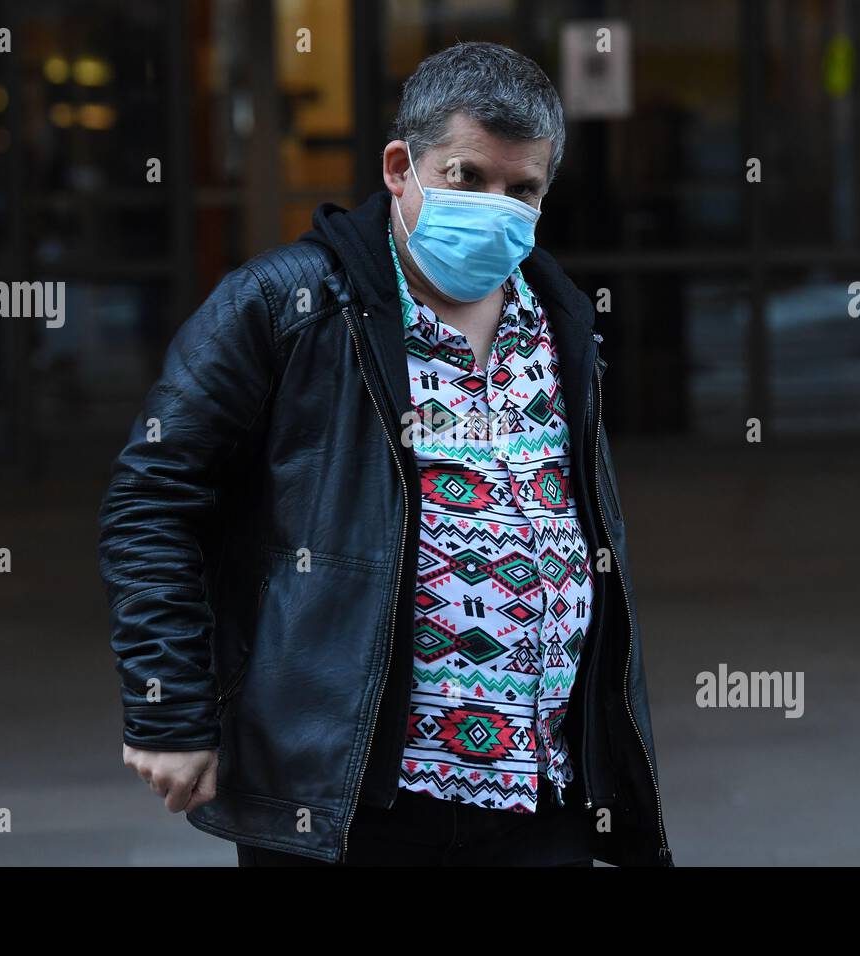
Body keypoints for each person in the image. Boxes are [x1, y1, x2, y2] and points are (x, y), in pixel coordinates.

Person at [97, 40, 671, 867]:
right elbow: (152, 497)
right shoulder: (284, 305)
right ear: (401, 167)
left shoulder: (563, 321)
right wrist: (166, 710)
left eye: (524, 189)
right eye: (469, 177)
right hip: (355, 799)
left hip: (542, 790)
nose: (496, 207)